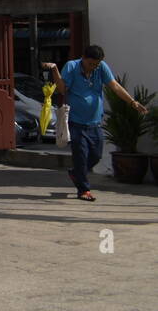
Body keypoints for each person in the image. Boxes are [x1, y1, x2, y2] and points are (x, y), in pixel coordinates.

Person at [43, 45, 145, 201]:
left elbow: (115, 86)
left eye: (96, 64)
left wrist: (132, 102)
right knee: (81, 156)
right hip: (75, 121)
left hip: (95, 122)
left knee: (96, 156)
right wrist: (55, 70)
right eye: (91, 64)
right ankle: (84, 190)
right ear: (83, 58)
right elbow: (62, 89)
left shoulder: (101, 67)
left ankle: (76, 173)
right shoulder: (71, 66)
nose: (94, 67)